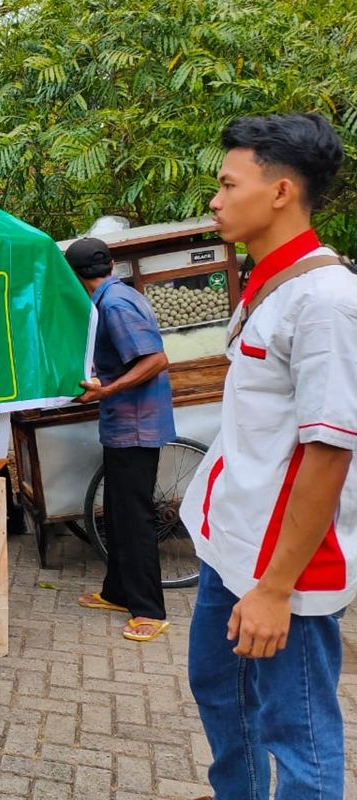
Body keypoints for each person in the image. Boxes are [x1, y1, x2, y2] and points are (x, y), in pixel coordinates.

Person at [180, 113, 355, 800]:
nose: (216, 200)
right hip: (230, 546)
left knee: (301, 735)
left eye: (228, 183)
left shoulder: (327, 302)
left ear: (281, 191)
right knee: (220, 695)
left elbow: (330, 452)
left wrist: (277, 590)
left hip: (286, 572)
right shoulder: (268, 285)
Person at [66, 236, 175, 642]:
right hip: (123, 424)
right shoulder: (116, 295)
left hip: (136, 426)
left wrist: (107, 389)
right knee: (116, 511)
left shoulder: (114, 305)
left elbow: (155, 359)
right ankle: (117, 592)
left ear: (76, 276)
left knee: (135, 519)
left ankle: (150, 610)